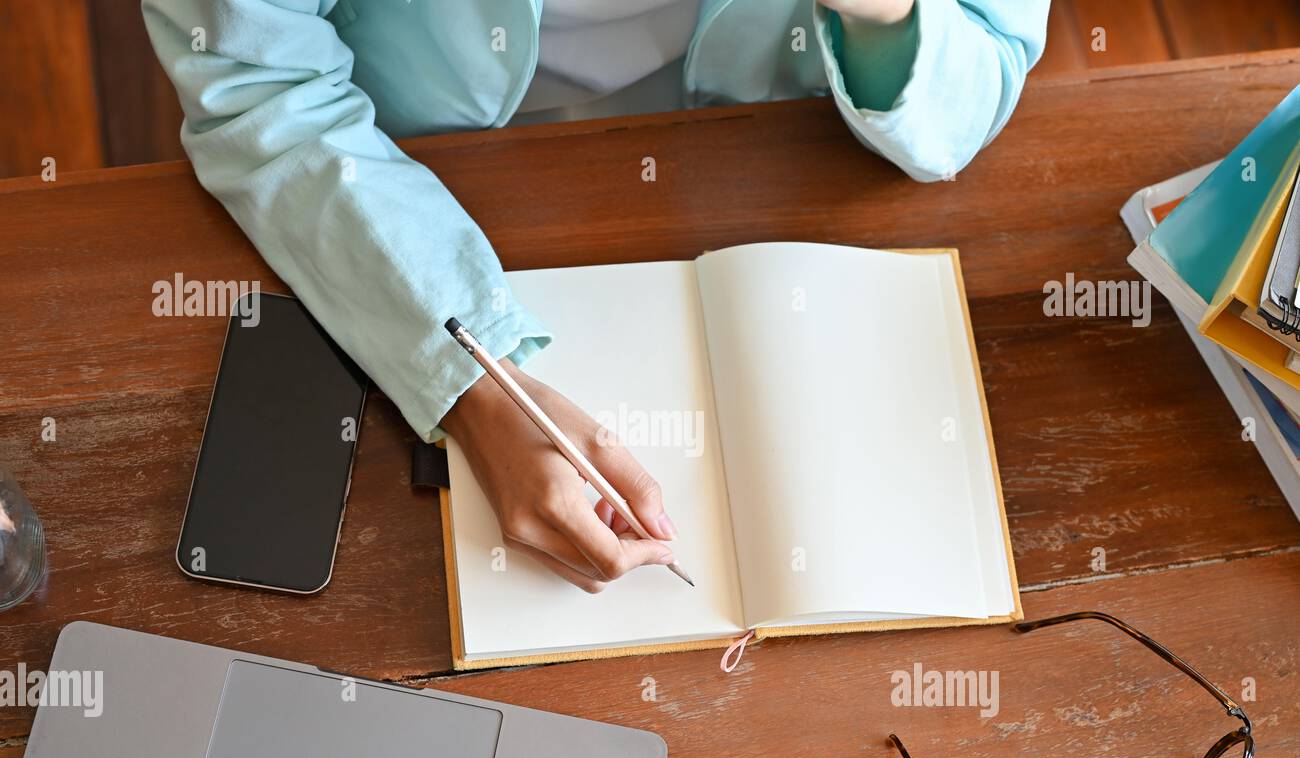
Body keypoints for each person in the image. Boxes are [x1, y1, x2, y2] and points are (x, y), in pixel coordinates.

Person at [143, 0, 1048, 592]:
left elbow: (985, 69)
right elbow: (257, 86)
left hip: (771, 152)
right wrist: (476, 386)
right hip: (400, 175)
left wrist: (889, 14)